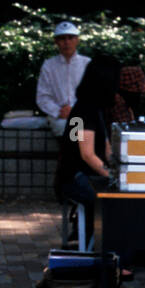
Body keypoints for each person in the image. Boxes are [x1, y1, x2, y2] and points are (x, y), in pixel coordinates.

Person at [54, 56, 121, 241]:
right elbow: (87, 155)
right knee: (115, 200)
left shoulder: (90, 109)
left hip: (77, 174)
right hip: (74, 178)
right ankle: (108, 249)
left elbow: (106, 149)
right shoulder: (85, 111)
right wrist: (114, 176)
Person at [36, 21, 90, 137]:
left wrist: (76, 111)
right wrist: (58, 111)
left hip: (83, 114)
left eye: (71, 38)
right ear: (56, 41)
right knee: (66, 127)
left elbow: (94, 94)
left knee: (80, 126)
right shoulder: (49, 65)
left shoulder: (87, 64)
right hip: (59, 116)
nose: (67, 42)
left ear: (77, 40)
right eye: (62, 38)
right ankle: (73, 154)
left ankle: (73, 154)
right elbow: (42, 96)